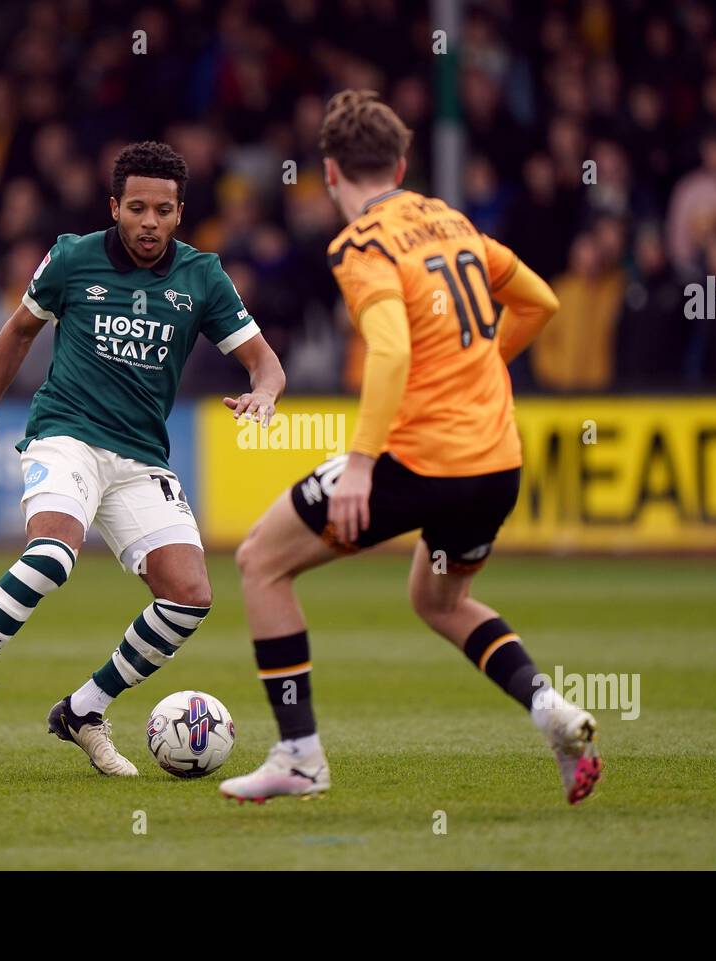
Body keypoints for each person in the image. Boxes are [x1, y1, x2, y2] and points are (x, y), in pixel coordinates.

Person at [219, 91, 601, 805]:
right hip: (495, 462)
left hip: (416, 461)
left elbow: (390, 350)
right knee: (439, 595)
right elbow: (540, 301)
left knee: (260, 562)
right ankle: (550, 709)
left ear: (330, 173)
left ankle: (299, 756)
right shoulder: (451, 221)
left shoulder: (363, 243)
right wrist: (478, 365)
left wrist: (361, 464)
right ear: (399, 163)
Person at [0, 142, 286, 775]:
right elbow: (17, 333)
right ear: (114, 207)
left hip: (141, 458)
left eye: (162, 210)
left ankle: (83, 711)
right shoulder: (73, 257)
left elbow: (264, 363)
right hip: (66, 435)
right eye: (136, 208)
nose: (149, 222)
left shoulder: (202, 277)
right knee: (53, 557)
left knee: (190, 597)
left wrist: (265, 394)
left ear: (179, 213)